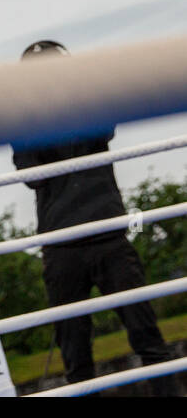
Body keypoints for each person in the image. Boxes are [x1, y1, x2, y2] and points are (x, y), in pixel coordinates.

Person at [13, 40, 179, 396]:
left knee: (147, 334)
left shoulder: (91, 103)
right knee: (75, 353)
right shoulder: (23, 118)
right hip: (61, 245)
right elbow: (31, 175)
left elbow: (103, 129)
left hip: (108, 233)